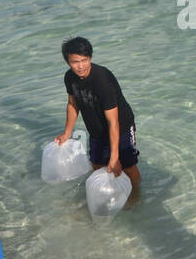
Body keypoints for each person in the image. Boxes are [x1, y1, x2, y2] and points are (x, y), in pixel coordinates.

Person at [55, 36, 140, 192]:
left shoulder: (102, 80)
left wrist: (115, 156)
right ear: (68, 62)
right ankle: (107, 196)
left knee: (128, 166)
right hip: (96, 130)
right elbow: (73, 104)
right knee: (97, 165)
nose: (80, 66)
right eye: (75, 62)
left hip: (121, 127)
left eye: (84, 60)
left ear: (90, 58)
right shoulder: (69, 78)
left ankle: (135, 196)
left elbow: (113, 121)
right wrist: (67, 133)